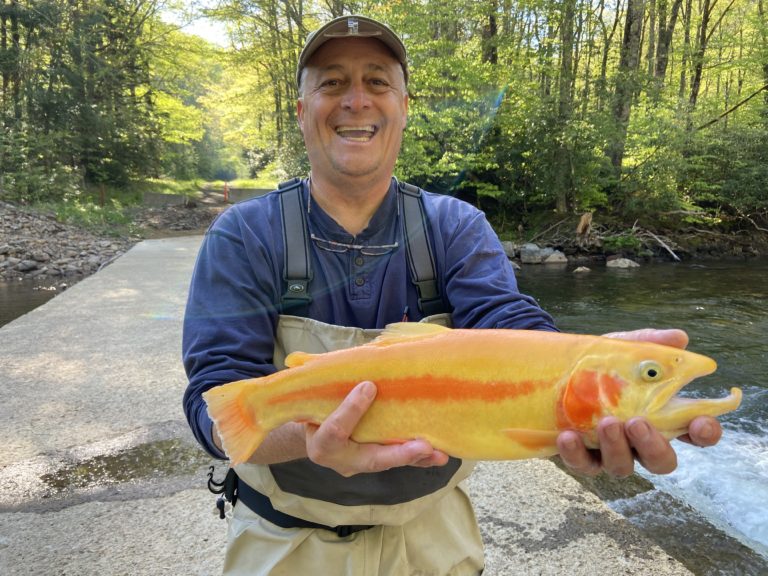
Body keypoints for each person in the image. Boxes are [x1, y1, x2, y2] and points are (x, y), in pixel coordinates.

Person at [182, 14, 723, 575]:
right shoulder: (244, 234)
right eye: (332, 82)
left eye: (377, 81)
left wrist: (582, 372)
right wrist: (307, 434)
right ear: (301, 111)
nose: (356, 101)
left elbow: (506, 320)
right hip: (286, 538)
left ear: (405, 106)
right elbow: (215, 411)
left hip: (433, 531)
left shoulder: (455, 225)